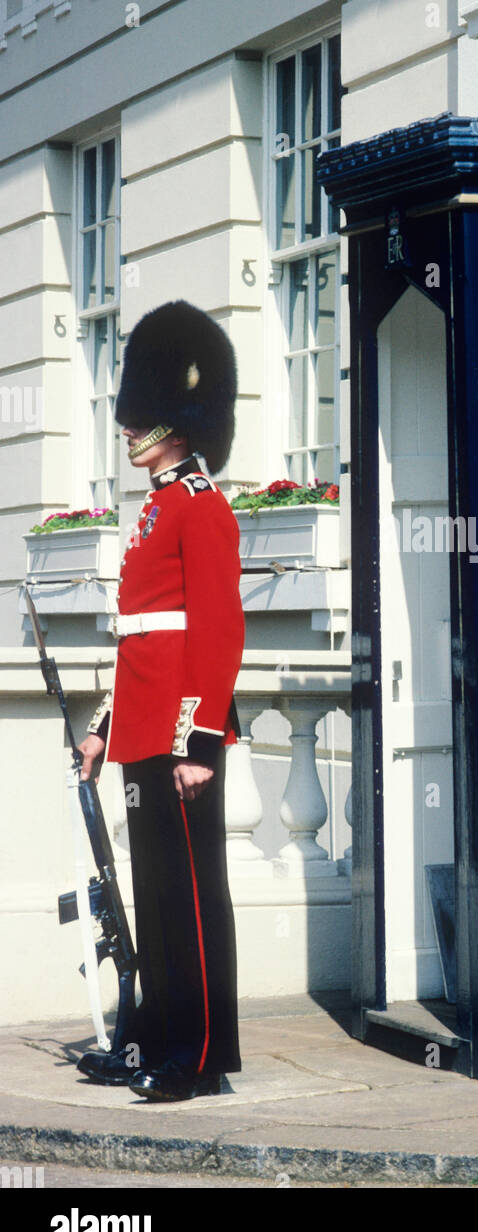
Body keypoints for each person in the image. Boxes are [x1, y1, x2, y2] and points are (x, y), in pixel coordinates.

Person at [75, 300, 245, 1103]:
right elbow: (140, 634)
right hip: (144, 726)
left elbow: (218, 629)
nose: (127, 429)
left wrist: (199, 741)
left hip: (181, 733)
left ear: (176, 421)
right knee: (156, 894)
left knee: (193, 897)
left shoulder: (202, 504)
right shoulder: (158, 506)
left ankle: (200, 1055)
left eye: (139, 417)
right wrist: (105, 729)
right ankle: (154, 1035)